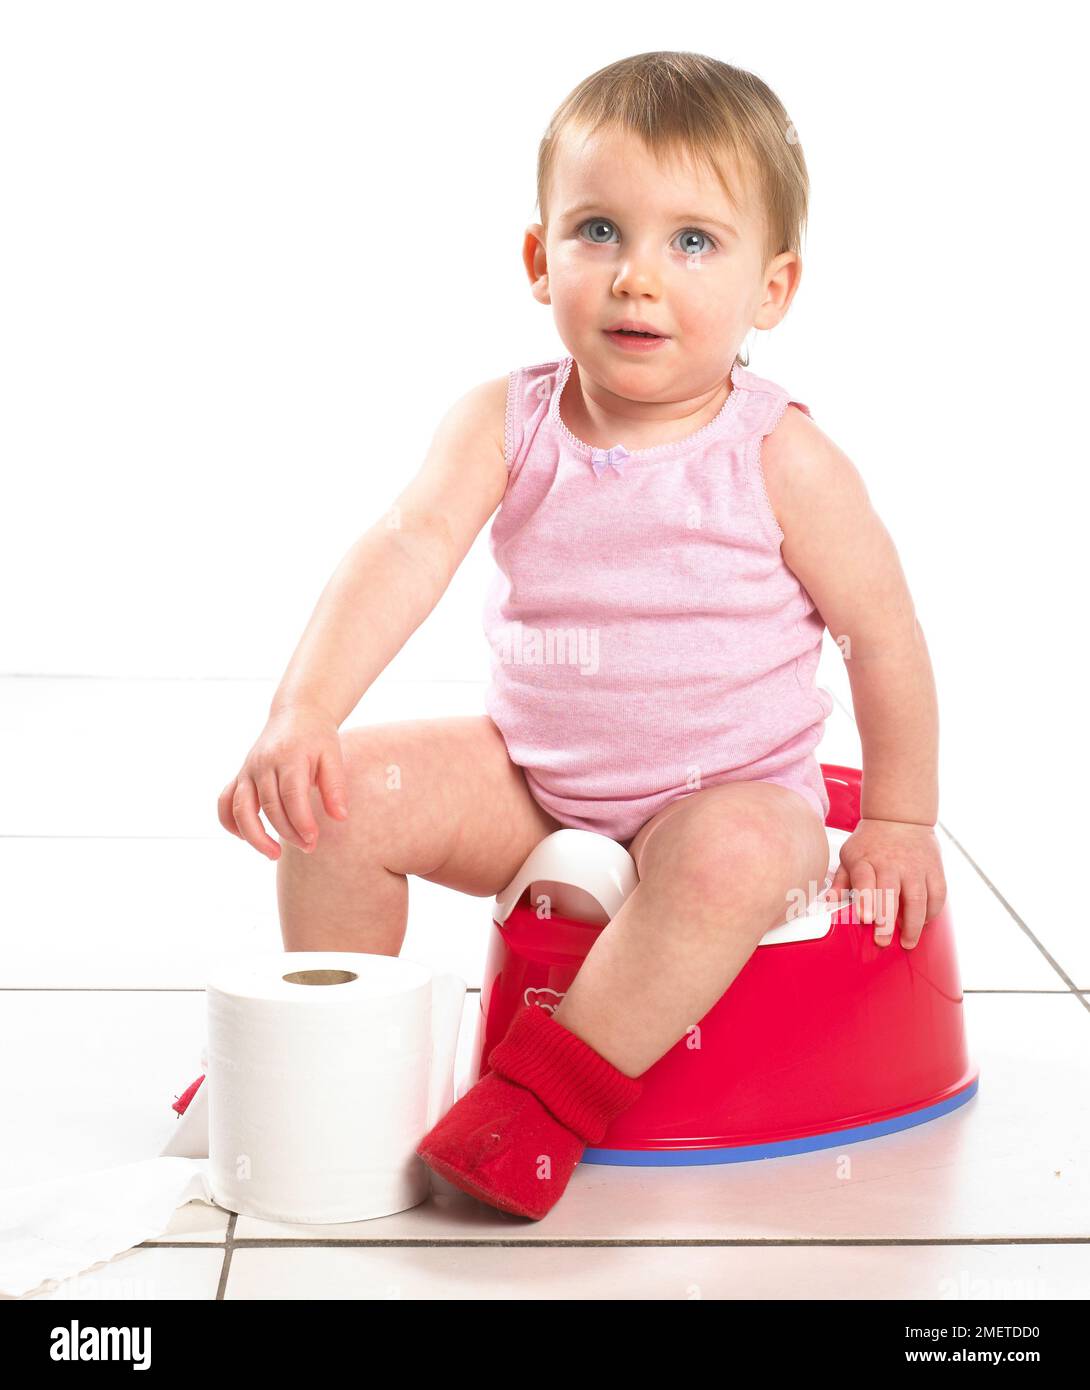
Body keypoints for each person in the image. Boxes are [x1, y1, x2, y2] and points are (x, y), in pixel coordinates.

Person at [217, 50, 948, 1220]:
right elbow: (402, 548)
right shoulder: (505, 420)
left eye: (693, 243)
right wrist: (304, 715)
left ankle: (544, 1099)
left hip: (731, 794)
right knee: (341, 795)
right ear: (536, 257)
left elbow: (883, 637)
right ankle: (337, 1056)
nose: (636, 280)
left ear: (774, 287)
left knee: (729, 859)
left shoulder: (780, 455)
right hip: (536, 784)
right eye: (599, 231)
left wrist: (902, 818)